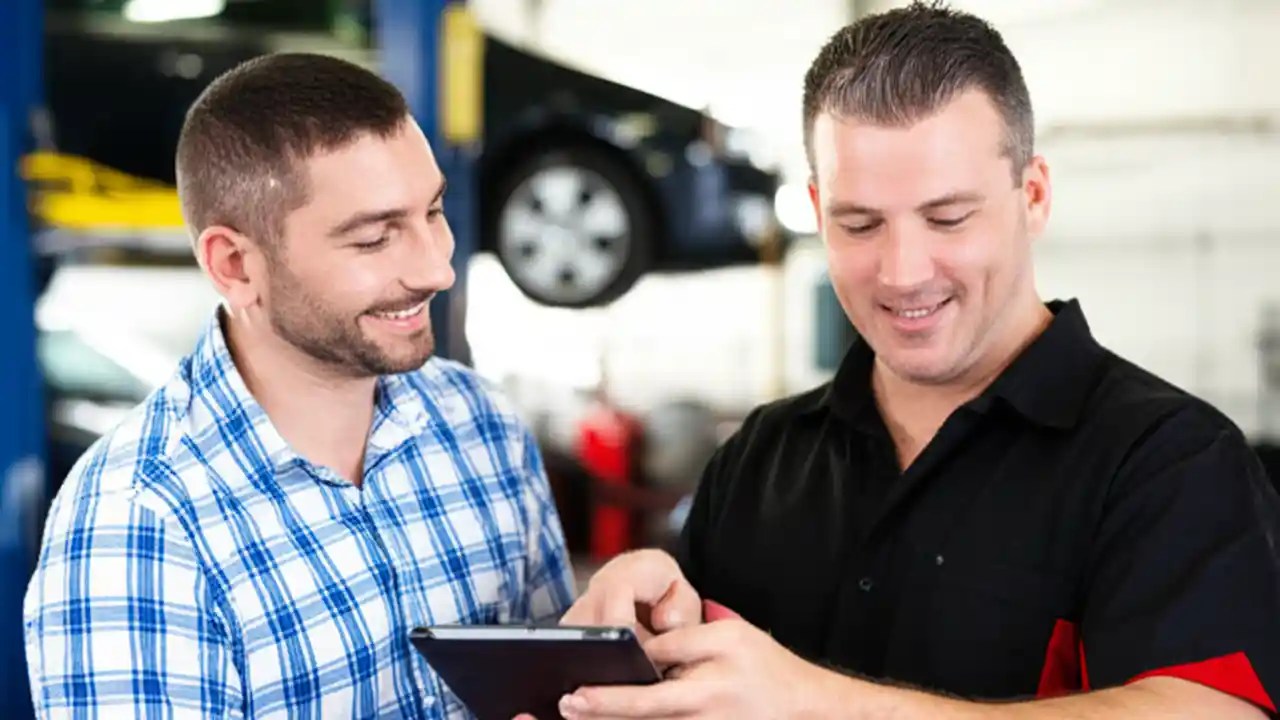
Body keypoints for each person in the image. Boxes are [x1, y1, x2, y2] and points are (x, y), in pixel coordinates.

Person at [554, 3, 1280, 719]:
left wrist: (817, 703)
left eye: (948, 219)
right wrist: (644, 630)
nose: (902, 272)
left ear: (1032, 196)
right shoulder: (758, 460)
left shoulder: (1171, 463)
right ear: (817, 207)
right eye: (859, 223)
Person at [24, 53, 575, 718]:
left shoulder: (480, 425)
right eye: (374, 239)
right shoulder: (139, 527)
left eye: (431, 212)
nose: (437, 269)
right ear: (235, 266)